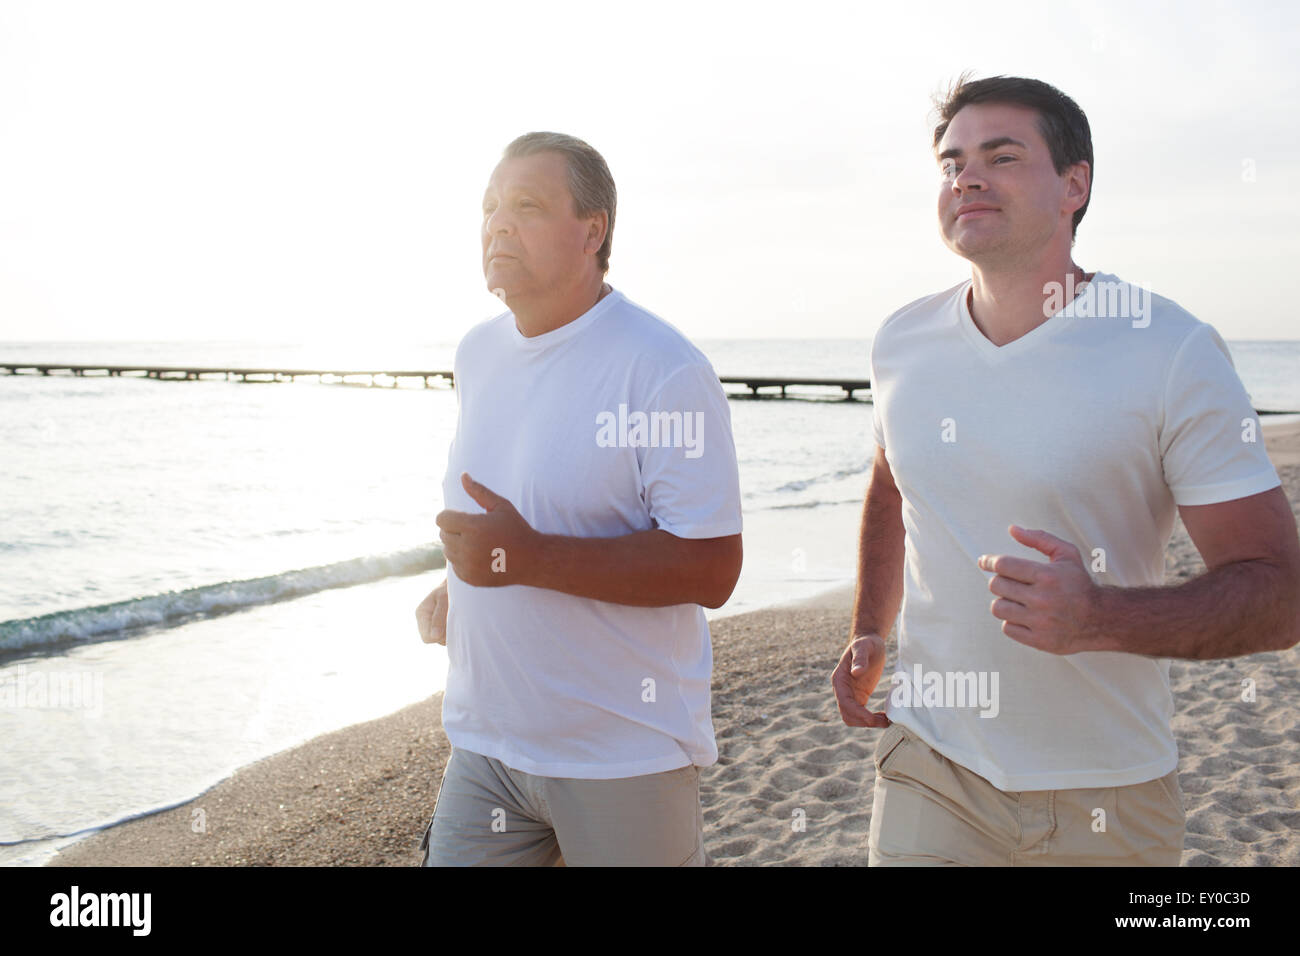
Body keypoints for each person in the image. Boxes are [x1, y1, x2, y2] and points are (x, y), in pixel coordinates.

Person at [832, 74, 1300, 866]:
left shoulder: (1167, 349)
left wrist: (1100, 618)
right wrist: (871, 627)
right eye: (951, 163)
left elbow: (1281, 591)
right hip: (933, 764)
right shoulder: (901, 342)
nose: (966, 177)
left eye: (1002, 155)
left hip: (1108, 792)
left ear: (1073, 186)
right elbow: (892, 476)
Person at [413, 131, 743, 866]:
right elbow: (525, 503)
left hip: (622, 752)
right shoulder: (477, 353)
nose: (498, 223)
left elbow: (712, 568)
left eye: (526, 205)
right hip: (486, 742)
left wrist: (525, 559)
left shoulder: (662, 369)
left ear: (592, 230)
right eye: (490, 205)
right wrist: (457, 586)